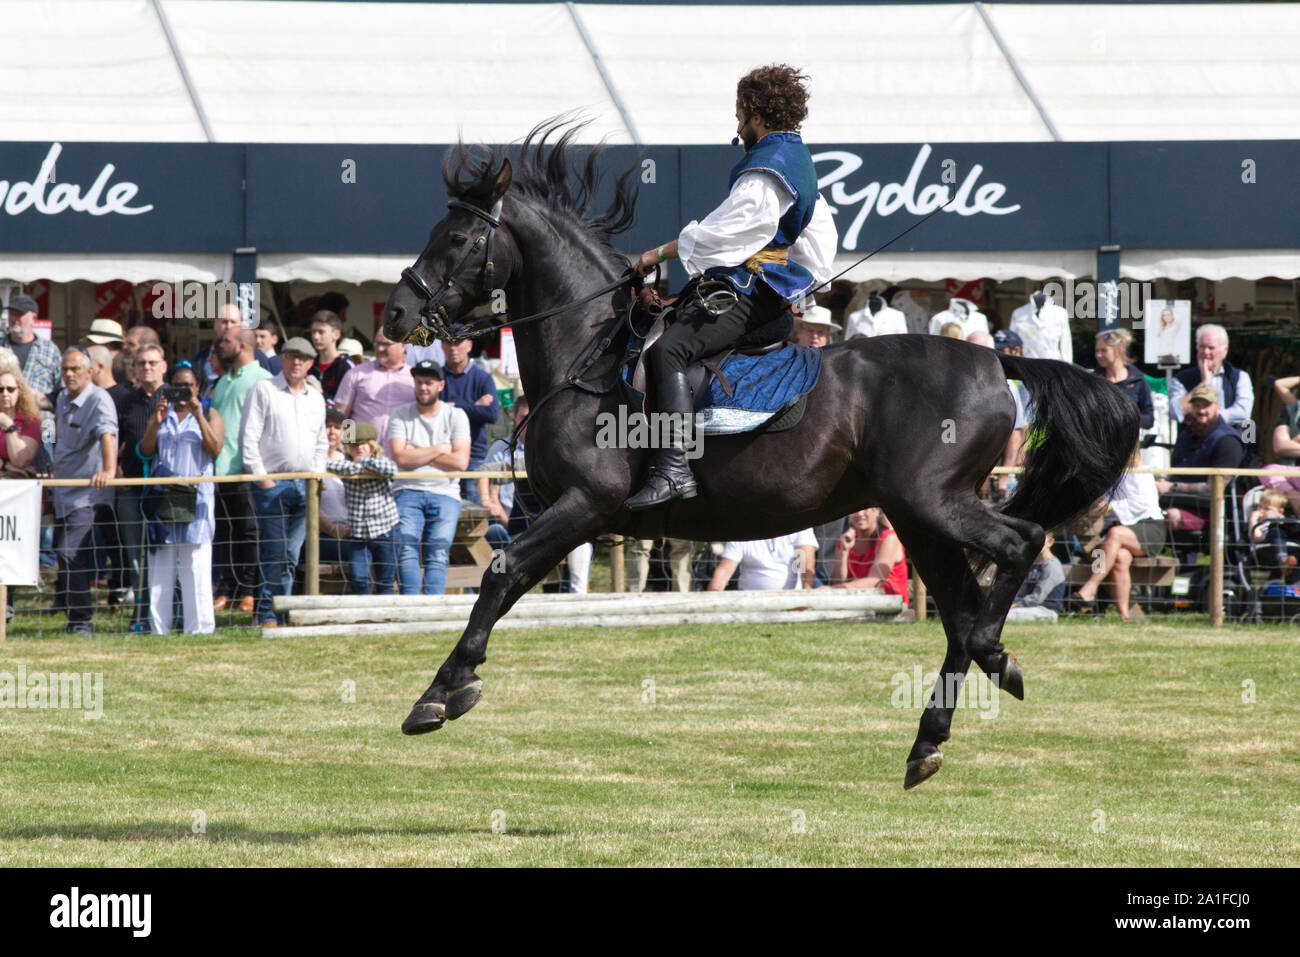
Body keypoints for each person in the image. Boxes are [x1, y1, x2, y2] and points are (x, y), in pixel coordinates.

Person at [626, 64, 837, 510]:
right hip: (767, 289)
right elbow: (820, 243)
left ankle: (673, 468)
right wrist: (795, 283)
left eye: (740, 114)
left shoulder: (766, 168)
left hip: (749, 292)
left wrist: (655, 255)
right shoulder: (796, 158)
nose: (737, 124)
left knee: (668, 351)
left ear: (757, 115)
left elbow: (723, 234)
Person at [240, 337, 327, 627]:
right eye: (291, 356)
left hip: (305, 483)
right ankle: (266, 614)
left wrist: (316, 475)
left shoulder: (315, 398)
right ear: (282, 358)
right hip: (273, 483)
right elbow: (248, 438)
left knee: (291, 554)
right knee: (276, 551)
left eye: (303, 358)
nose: (296, 362)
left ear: (311, 363)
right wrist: (262, 479)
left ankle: (282, 612)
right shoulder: (263, 389)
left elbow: (321, 443)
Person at [138, 363, 224, 634]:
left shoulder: (210, 413)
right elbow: (145, 451)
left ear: (198, 388)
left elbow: (215, 449)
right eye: (177, 386)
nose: (183, 391)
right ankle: (159, 629)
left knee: (195, 567)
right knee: (161, 567)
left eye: (188, 386)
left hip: (195, 498)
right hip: (165, 497)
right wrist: (156, 423)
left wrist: (199, 416)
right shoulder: (162, 413)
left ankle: (199, 629)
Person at [387, 359, 470, 595]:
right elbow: (400, 458)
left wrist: (416, 452)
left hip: (446, 492)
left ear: (441, 385)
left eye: (429, 383)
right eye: (419, 382)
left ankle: (432, 608)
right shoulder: (400, 414)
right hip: (407, 490)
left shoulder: (457, 415)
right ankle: (410, 607)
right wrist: (440, 449)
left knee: (438, 551)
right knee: (406, 549)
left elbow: (460, 462)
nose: (423, 387)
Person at [51, 347, 118, 634]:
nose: (68, 374)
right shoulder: (63, 399)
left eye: (75, 369)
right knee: (63, 554)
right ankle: (73, 617)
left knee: (71, 552)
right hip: (62, 490)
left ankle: (81, 622)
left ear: (90, 372)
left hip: (86, 494)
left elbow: (107, 434)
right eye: (65, 369)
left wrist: (109, 470)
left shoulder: (99, 399)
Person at [211, 329, 272, 612]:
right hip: (220, 469)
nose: (220, 345)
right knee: (226, 533)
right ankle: (228, 587)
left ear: (243, 345)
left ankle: (249, 590)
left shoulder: (262, 379)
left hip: (246, 469)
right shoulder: (222, 381)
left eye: (226, 341)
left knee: (250, 533)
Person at [107, 343, 168, 626]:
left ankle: (167, 612)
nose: (147, 368)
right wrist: (113, 469)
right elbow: (111, 438)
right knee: (135, 556)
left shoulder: (174, 396)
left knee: (166, 553)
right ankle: (141, 613)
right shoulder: (124, 400)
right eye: (142, 363)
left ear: (163, 366)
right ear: (134, 369)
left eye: (153, 363)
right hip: (132, 488)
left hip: (167, 491)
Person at [1073, 447, 1167, 621]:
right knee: (1121, 558)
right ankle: (1125, 615)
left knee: (1114, 534)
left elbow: (1139, 505)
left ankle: (1090, 587)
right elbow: (1106, 496)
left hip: (1150, 528)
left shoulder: (1141, 471)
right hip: (1127, 531)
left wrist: (1109, 506)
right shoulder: (1118, 473)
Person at [1156, 383, 1248, 535]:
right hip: (1173, 499)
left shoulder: (1228, 441)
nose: (1201, 410)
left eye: (1206, 405)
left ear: (1217, 407)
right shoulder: (1186, 435)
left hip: (1209, 510)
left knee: (1169, 516)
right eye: (1197, 405)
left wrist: (1172, 487)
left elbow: (1214, 488)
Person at [327, 421, 400, 595]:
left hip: (385, 530)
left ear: (372, 446)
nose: (358, 449)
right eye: (353, 446)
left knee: (385, 578)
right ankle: (363, 611)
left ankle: (385, 614)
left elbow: (391, 469)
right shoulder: (347, 465)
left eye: (362, 444)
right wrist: (361, 466)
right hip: (358, 532)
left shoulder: (381, 462)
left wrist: (365, 462)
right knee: (358, 577)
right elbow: (331, 465)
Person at [439, 336, 500, 504]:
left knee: (475, 516)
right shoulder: (437, 377)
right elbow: (432, 412)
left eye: (457, 342)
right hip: (443, 455)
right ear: (442, 346)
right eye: (448, 343)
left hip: (474, 455)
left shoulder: (482, 378)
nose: (453, 348)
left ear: (469, 345)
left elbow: (492, 414)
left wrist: (454, 406)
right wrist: (475, 405)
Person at [334, 326, 414, 444]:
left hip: (400, 455)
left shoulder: (414, 378)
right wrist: (346, 444)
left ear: (403, 346)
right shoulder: (356, 374)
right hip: (362, 453)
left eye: (386, 344)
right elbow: (341, 416)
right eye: (377, 343)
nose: (380, 348)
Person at [1167, 324, 1254, 429]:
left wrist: (1207, 418)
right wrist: (1204, 383)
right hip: (1193, 442)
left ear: (1225, 350)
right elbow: (1175, 412)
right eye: (1202, 347)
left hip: (1228, 439)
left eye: (1211, 348)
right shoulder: (1181, 379)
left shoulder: (1239, 377)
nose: (1206, 352)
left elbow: (1243, 412)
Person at [3, 294, 60, 448]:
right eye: (11, 313)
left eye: (19, 314)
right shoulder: (1, 346)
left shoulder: (49, 349)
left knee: (48, 463)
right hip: (7, 424)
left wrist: (41, 400)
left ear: (34, 318)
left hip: (44, 423)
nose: (14, 318)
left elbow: (61, 391)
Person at [823, 507, 909, 605]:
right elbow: (838, 583)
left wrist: (830, 590)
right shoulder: (846, 540)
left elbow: (875, 581)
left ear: (877, 510)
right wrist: (844, 553)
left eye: (864, 508)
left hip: (890, 603)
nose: (859, 513)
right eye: (854, 510)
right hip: (856, 603)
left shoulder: (889, 538)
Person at [708, 528, 818, 591]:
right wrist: (711, 599)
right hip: (749, 601)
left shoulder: (799, 528)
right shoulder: (743, 532)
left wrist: (806, 594)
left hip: (791, 601)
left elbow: (804, 565)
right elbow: (725, 570)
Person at [1093, 328, 1154, 429]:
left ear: (1119, 350)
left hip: (1129, 441)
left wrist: (1127, 418)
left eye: (1104, 350)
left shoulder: (1138, 380)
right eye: (1097, 351)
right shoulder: (1094, 381)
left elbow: (1149, 420)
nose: (1099, 355)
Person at [1005, 533, 1067, 623]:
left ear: (1050, 542)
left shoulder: (1052, 566)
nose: (1036, 543)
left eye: (1041, 539)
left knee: (1003, 617)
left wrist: (1017, 604)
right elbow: (1022, 591)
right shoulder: (1033, 565)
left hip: (1046, 611)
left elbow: (1038, 597)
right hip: (1028, 608)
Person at [1009, 290, 1072, 363]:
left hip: (1052, 363)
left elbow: (1066, 343)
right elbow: (1012, 341)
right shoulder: (1019, 313)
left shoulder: (1060, 313)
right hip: (1027, 362)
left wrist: (1067, 365)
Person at [308, 310, 351, 401]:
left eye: (321, 332)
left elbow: (345, 408)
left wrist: (321, 394)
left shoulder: (345, 367)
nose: (316, 337)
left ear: (336, 334)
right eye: (313, 332)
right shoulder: (309, 364)